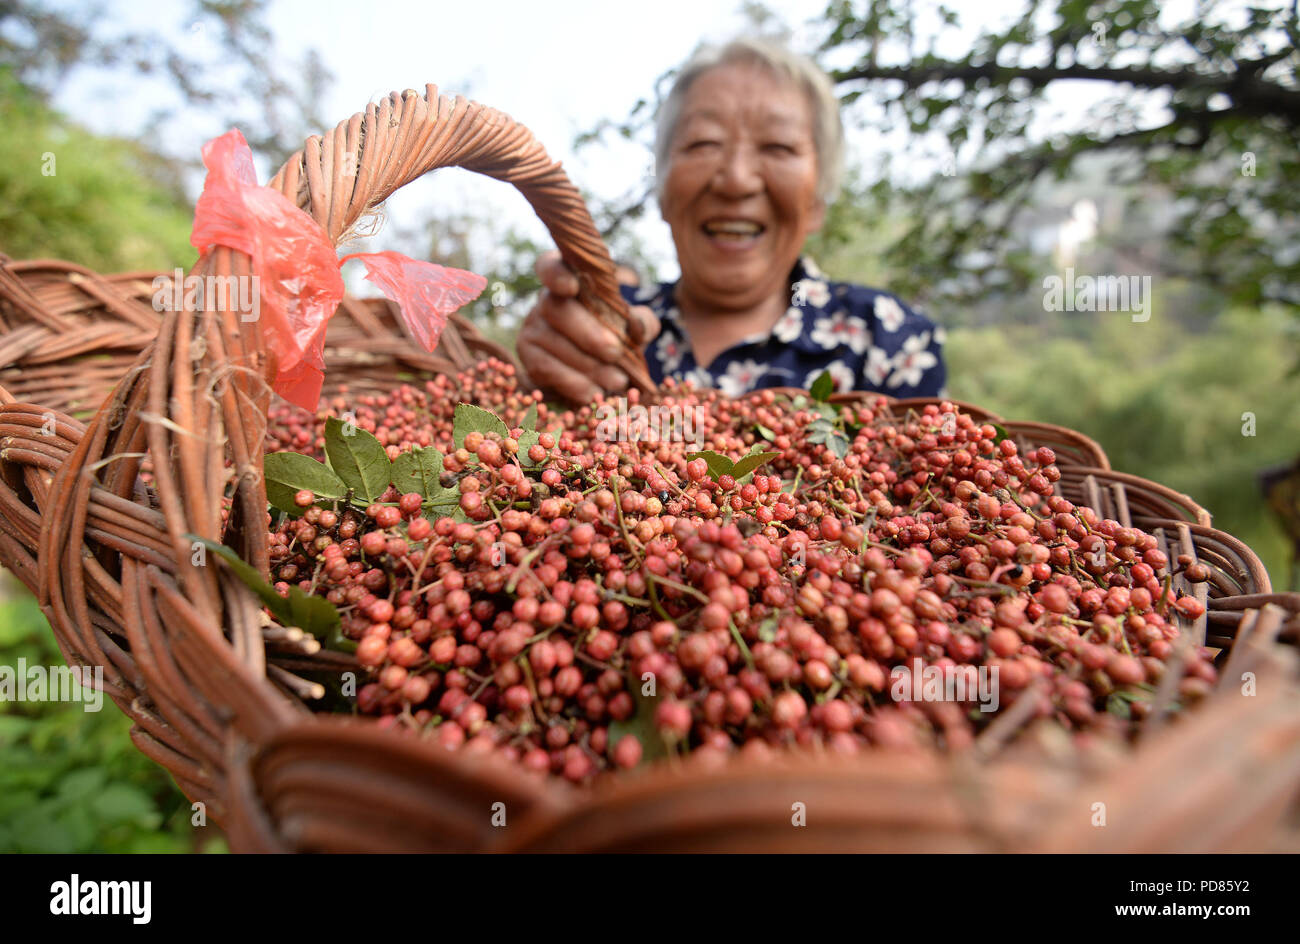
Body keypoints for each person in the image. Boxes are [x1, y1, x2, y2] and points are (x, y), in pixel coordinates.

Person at [517, 36, 946, 403]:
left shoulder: (888, 341)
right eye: (704, 143)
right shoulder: (613, 327)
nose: (737, 181)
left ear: (816, 201)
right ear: (662, 191)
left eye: (778, 147)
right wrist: (551, 359)